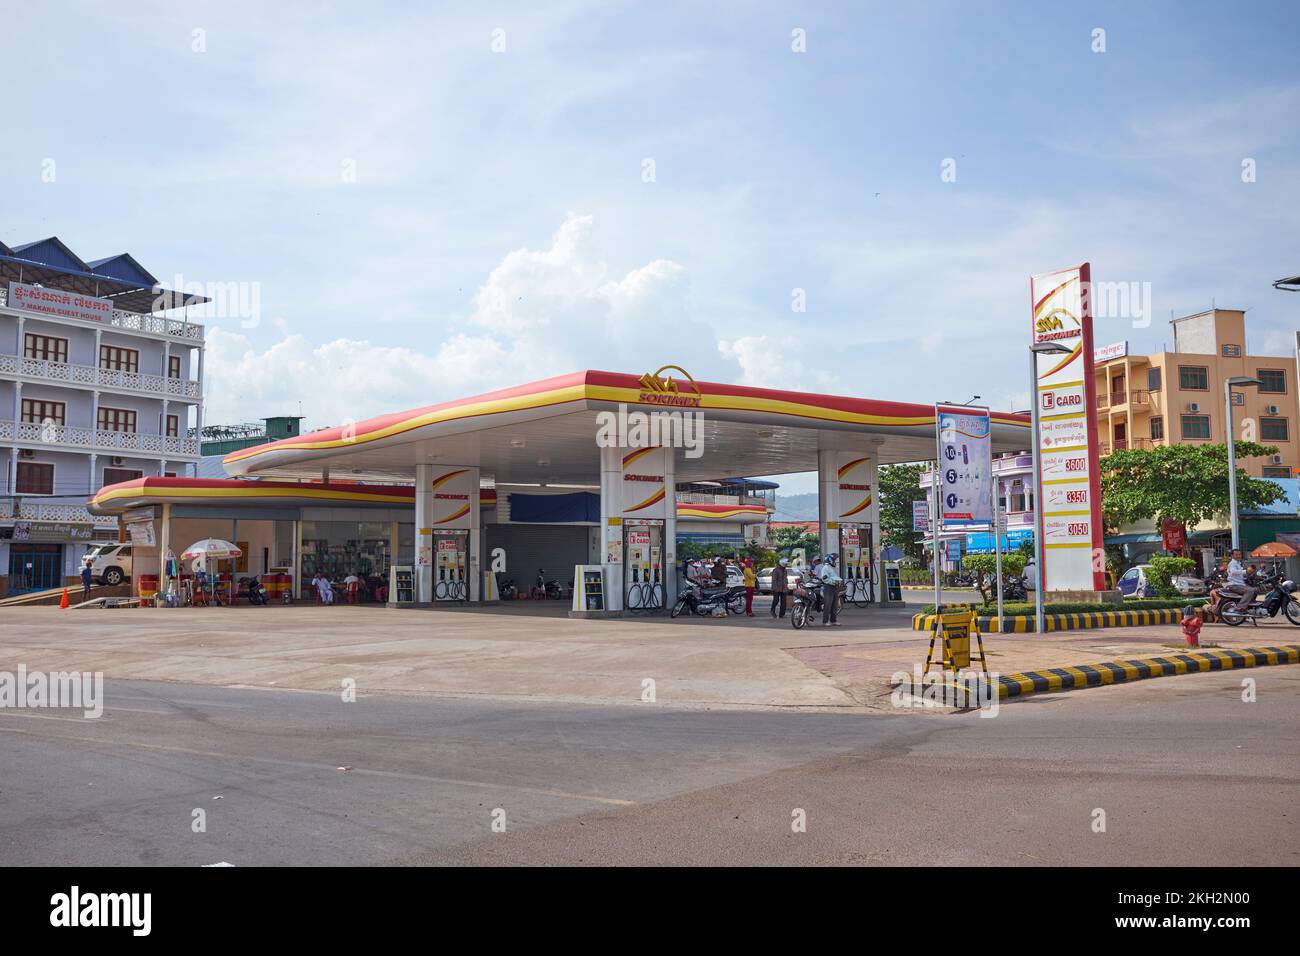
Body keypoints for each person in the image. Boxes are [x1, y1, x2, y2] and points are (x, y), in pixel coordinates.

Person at [818, 554, 842, 626]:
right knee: (827, 605)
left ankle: (833, 620)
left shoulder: (834, 567)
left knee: (835, 605)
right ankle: (825, 621)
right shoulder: (826, 567)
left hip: (835, 587)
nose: (836, 561)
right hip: (828, 587)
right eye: (834, 560)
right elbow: (824, 578)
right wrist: (832, 581)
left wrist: (838, 582)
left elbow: (836, 576)